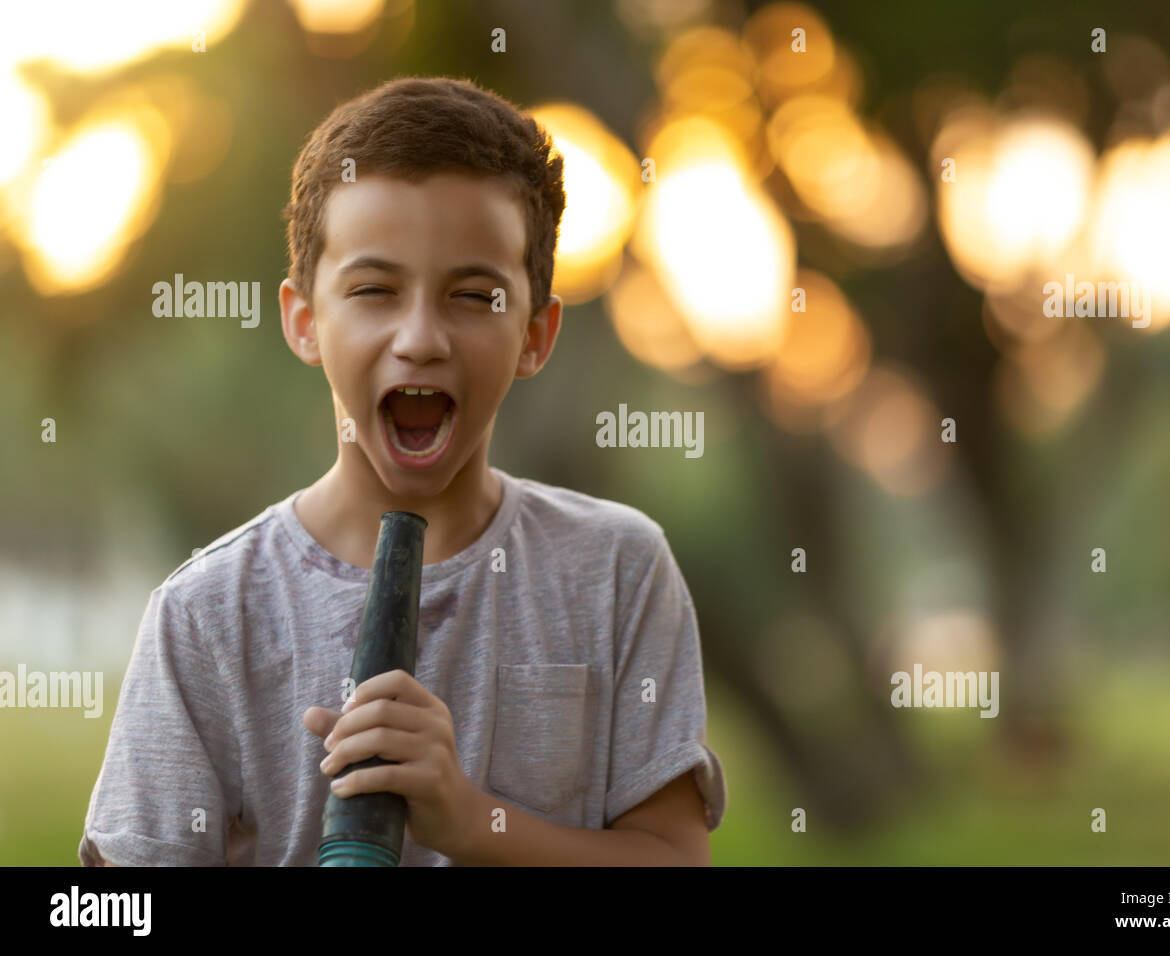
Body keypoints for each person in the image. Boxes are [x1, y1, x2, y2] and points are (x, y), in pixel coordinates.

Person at [79, 75, 725, 866]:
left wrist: (469, 820)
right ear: (305, 321)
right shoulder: (208, 616)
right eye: (376, 289)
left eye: (474, 295)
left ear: (535, 333)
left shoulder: (617, 570)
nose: (420, 337)